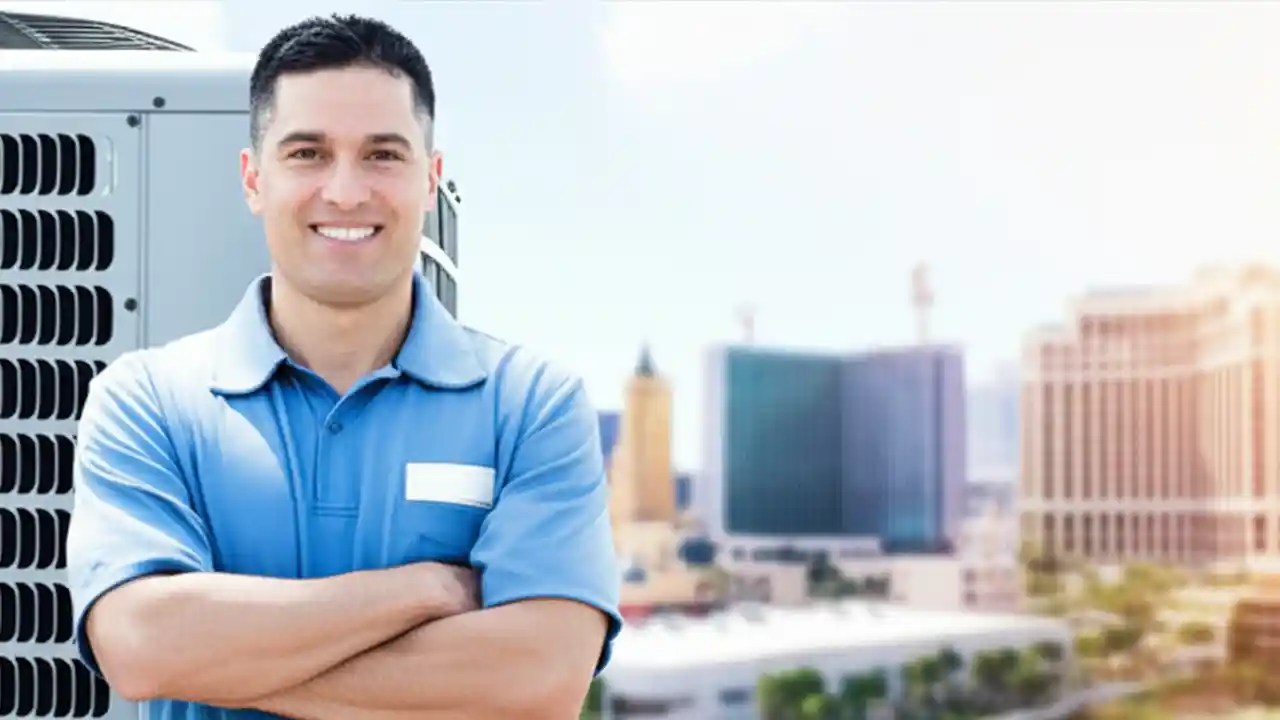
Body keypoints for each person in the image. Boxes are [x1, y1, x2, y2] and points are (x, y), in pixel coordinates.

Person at [65, 13, 621, 720]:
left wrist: (216, 660)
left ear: (431, 179)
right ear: (253, 179)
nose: (348, 191)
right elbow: (141, 645)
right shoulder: (147, 401)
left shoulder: (531, 405)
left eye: (384, 155)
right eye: (307, 153)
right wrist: (422, 590)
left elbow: (540, 680)